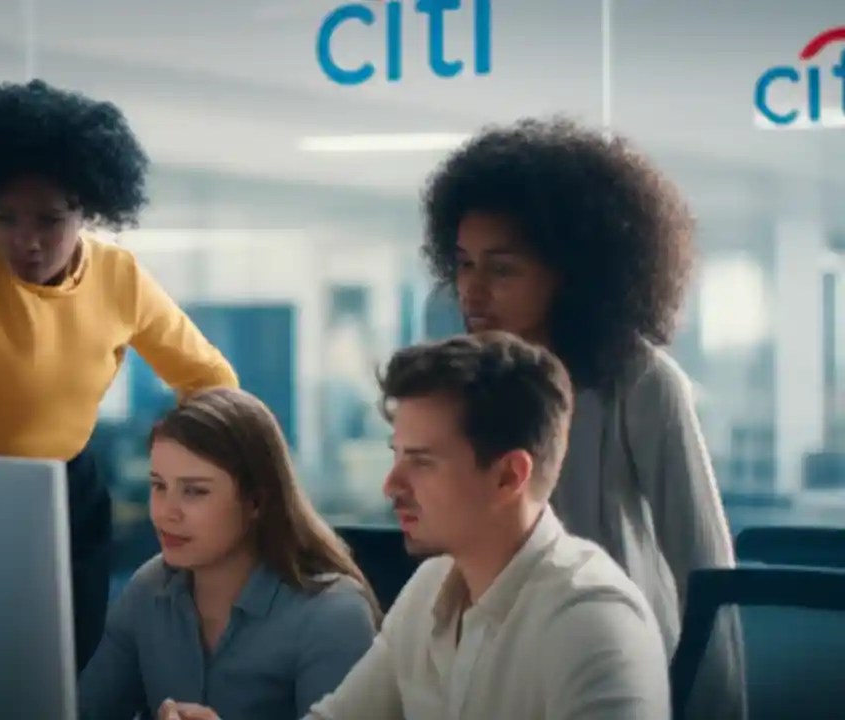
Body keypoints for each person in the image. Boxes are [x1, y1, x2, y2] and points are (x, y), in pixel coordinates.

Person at [0, 79, 239, 671]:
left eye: (49, 220)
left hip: (69, 496)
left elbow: (211, 379)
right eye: (5, 218)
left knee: (68, 669)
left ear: (87, 209)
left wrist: (189, 472)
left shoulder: (119, 277)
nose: (26, 241)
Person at [419, 117, 743, 717]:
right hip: (501, 664)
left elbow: (707, 573)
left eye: (503, 268)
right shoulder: (469, 381)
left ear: (569, 274)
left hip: (618, 663)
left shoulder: (642, 382)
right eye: (464, 264)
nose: (473, 290)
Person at [307, 332, 669, 719]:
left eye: (423, 461)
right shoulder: (431, 589)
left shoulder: (593, 621)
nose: (391, 485)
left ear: (508, 477)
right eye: (397, 456)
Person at [79, 388, 378, 720]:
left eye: (195, 492)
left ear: (256, 502)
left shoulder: (333, 615)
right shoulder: (149, 590)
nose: (167, 512)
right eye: (159, 486)